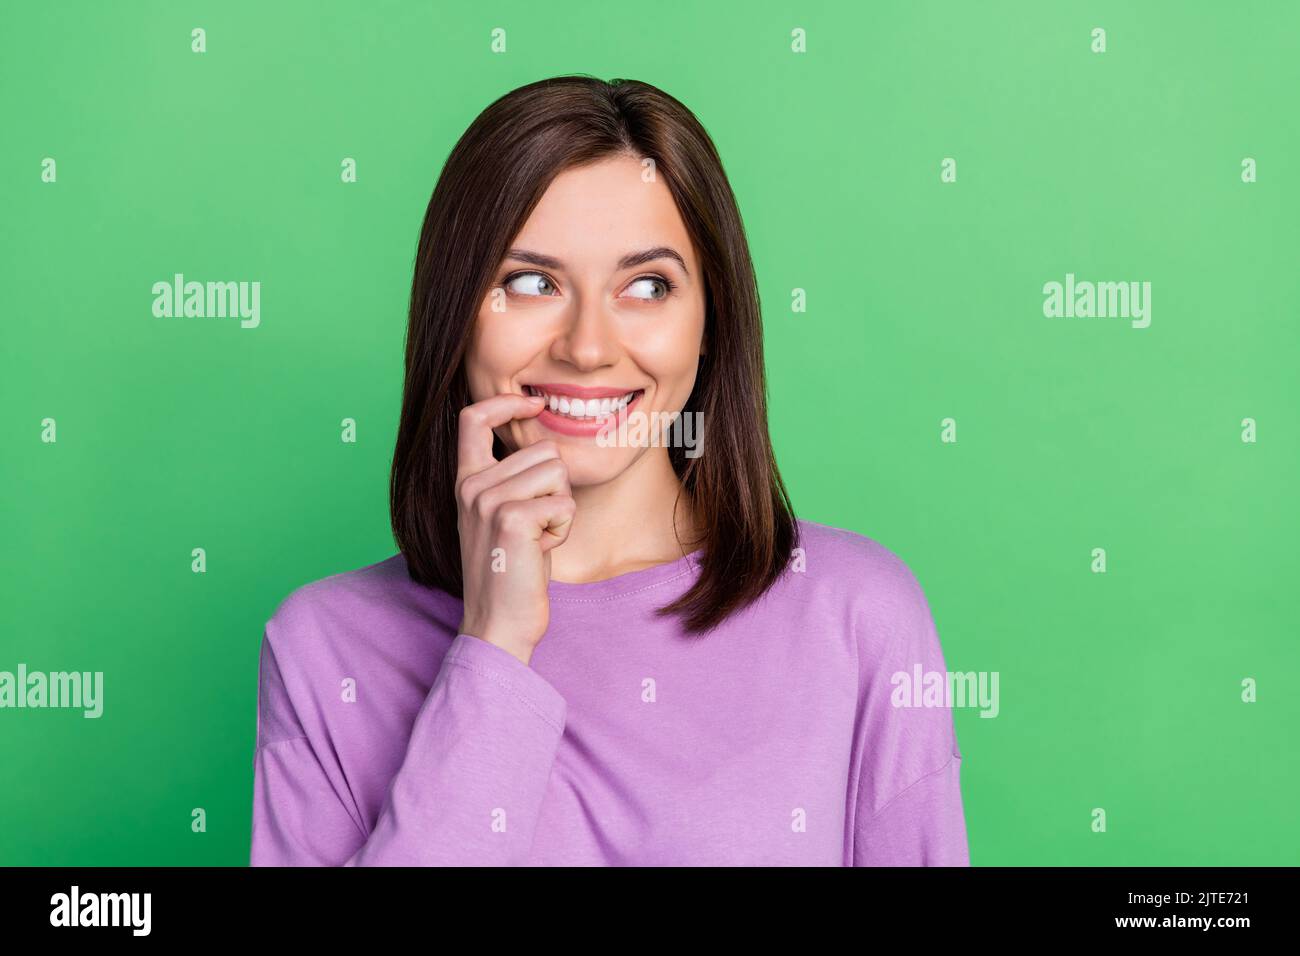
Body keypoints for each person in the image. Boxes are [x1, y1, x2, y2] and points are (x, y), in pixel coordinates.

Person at [249, 75, 969, 866]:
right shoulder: (324, 649)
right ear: (455, 314)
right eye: (530, 283)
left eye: (647, 286)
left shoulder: (857, 615)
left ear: (709, 322)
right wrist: (493, 648)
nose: (588, 347)